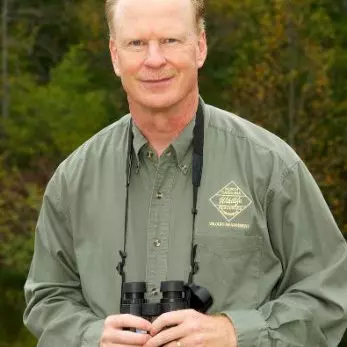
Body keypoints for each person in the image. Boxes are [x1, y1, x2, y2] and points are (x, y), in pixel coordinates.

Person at [23, 0, 347, 346]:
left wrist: (237, 333)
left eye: (170, 41)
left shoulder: (271, 167)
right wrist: (90, 337)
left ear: (201, 48)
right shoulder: (73, 179)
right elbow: (46, 299)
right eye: (136, 43)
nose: (154, 59)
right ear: (115, 56)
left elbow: (331, 295)